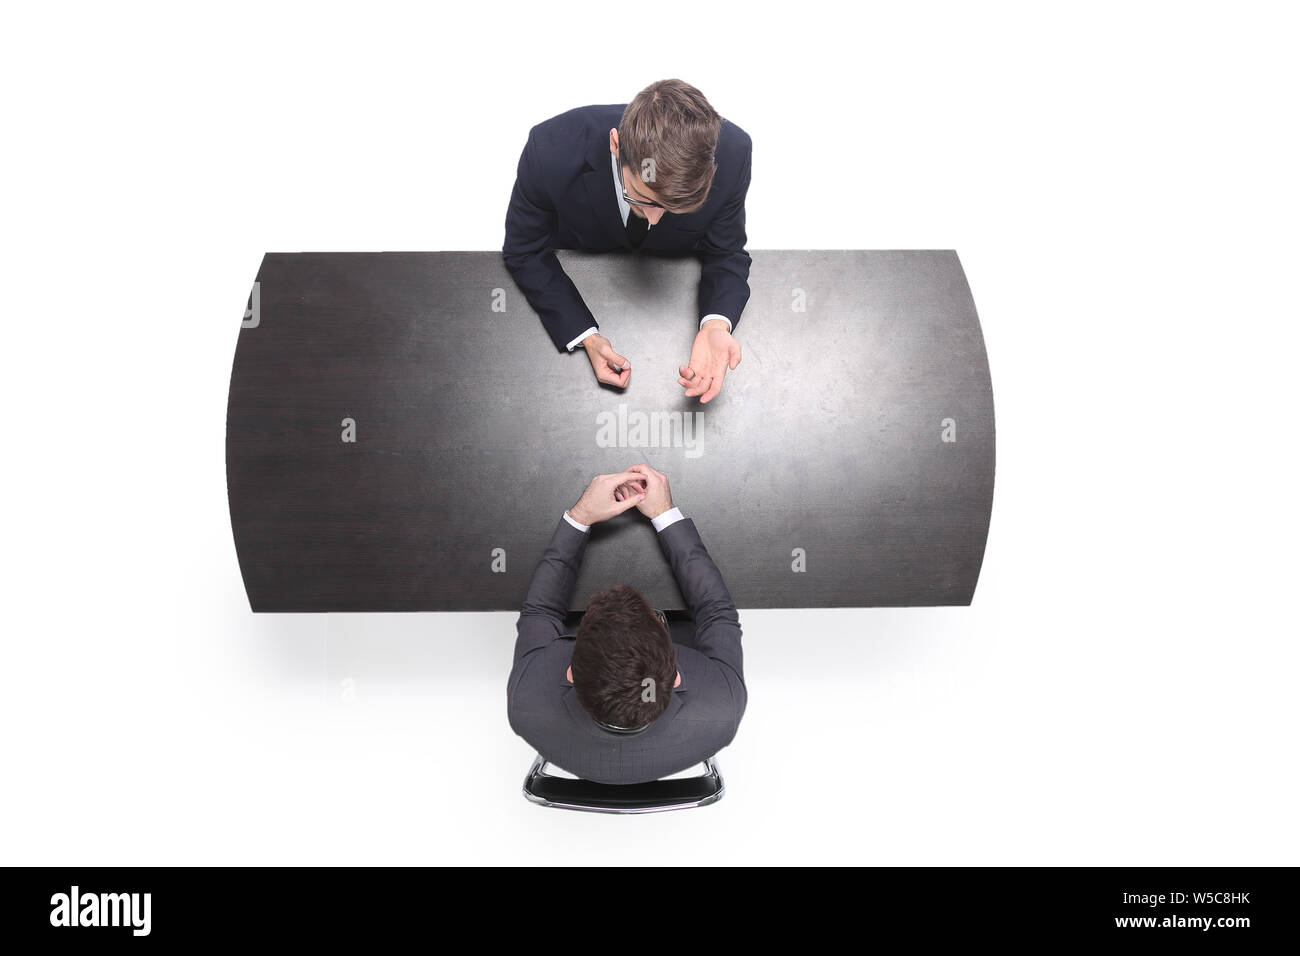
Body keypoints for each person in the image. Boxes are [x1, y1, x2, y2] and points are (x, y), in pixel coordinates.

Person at [503, 79, 752, 404]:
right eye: (642, 199)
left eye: (672, 207)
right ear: (615, 144)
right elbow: (525, 250)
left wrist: (716, 326)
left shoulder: (732, 154)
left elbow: (726, 251)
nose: (654, 219)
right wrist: (587, 337)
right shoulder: (550, 150)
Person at [507, 464, 747, 785]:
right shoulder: (722, 707)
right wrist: (664, 514)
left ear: (571, 673)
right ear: (676, 676)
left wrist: (581, 516)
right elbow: (716, 613)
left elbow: (541, 612)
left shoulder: (525, 702)